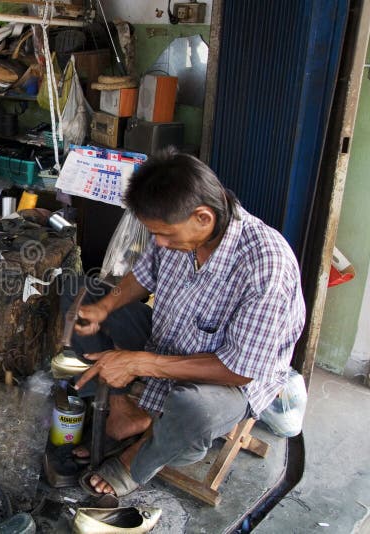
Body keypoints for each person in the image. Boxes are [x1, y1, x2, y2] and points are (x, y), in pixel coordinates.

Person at [71, 149, 306, 497]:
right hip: (169, 338)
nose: (160, 243)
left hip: (229, 377)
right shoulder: (177, 228)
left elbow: (238, 369)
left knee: (194, 409)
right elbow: (145, 274)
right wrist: (105, 306)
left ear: (203, 217)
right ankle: (124, 409)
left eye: (165, 235)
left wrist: (139, 362)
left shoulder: (266, 265)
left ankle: (139, 458)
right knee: (84, 298)